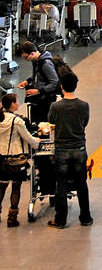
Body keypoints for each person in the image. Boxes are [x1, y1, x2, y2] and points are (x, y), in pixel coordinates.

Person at [47, 69, 92, 228]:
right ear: (75, 86)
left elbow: (51, 122)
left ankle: (60, 220)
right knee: (81, 183)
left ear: (61, 87)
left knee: (61, 185)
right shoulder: (84, 106)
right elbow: (85, 122)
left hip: (61, 149)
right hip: (79, 148)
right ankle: (85, 217)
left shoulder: (55, 107)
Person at [0, 90, 41, 227]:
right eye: (16, 102)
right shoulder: (17, 121)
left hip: (1, 158)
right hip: (16, 159)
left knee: (2, 186)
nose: (18, 104)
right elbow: (28, 139)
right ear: (12, 104)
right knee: (16, 187)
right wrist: (38, 142)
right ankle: (12, 218)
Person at [16, 41, 60, 126]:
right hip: (39, 100)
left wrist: (38, 91)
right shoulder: (37, 60)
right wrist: (28, 81)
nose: (25, 60)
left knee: (43, 125)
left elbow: (55, 82)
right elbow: (38, 74)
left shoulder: (46, 64)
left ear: (32, 53)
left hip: (45, 102)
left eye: (26, 57)